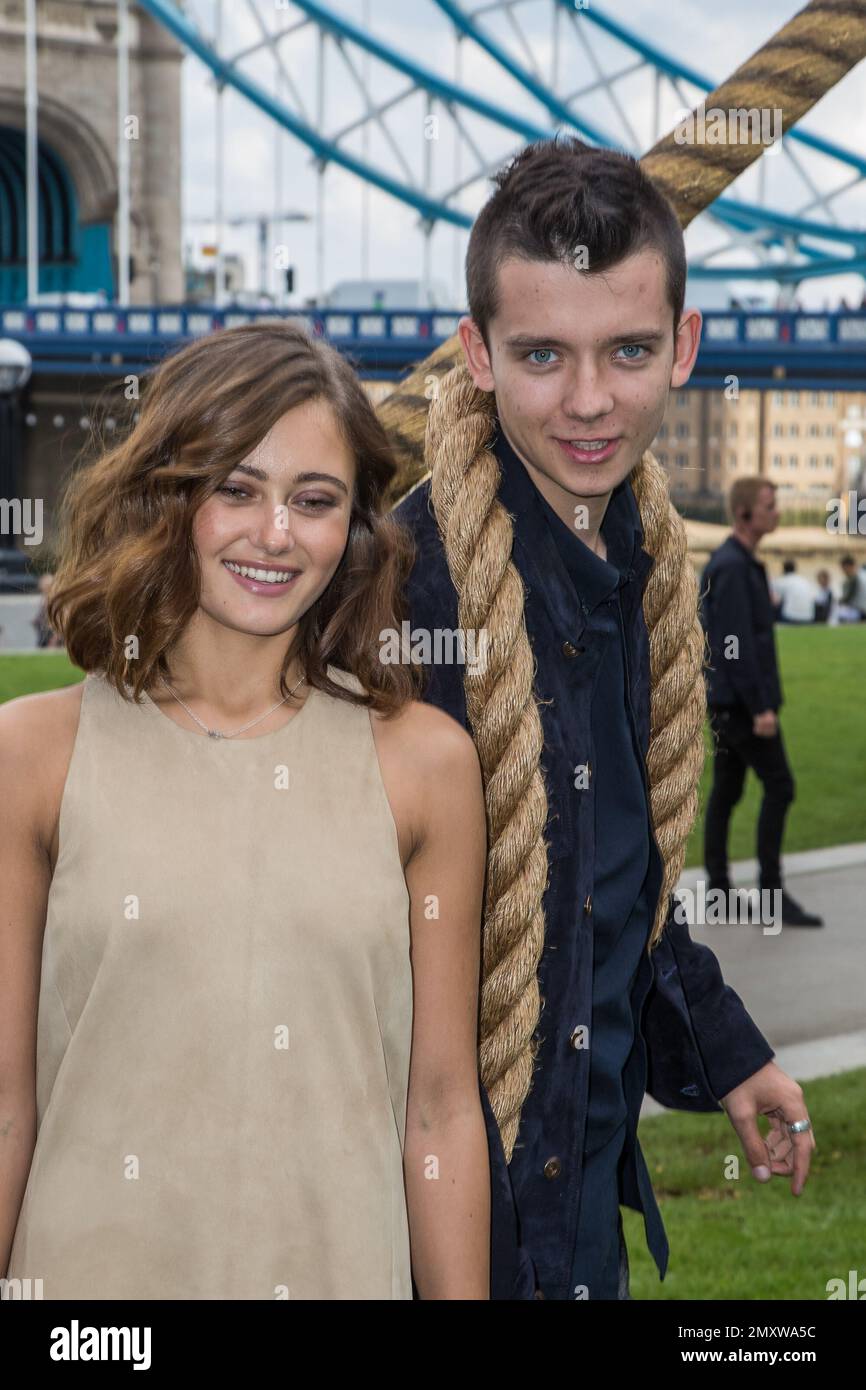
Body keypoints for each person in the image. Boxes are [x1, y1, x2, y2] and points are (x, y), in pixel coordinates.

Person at [394, 136, 815, 1303]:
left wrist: (727, 1052)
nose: (589, 401)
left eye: (628, 350)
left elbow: (603, 888)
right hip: (432, 1237)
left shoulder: (644, 573)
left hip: (580, 1232)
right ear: (474, 356)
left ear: (684, 344)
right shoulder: (394, 593)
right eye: (541, 355)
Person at [0, 322, 492, 1300]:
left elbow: (438, 1113)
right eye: (235, 488)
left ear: (350, 529)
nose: (274, 532)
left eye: (312, 500)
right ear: (168, 496)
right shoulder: (32, 754)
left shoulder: (425, 765)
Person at [701, 477, 823, 929]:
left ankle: (718, 890)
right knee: (780, 786)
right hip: (740, 707)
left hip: (732, 703)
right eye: (770, 506)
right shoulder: (733, 566)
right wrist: (760, 708)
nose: (778, 512)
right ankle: (770, 894)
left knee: (728, 791)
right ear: (745, 513)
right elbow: (734, 645)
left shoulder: (740, 564)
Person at [771, 559, 818, 624]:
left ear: (783, 569)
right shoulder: (804, 581)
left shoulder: (781, 581)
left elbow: (773, 600)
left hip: (790, 617)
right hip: (809, 617)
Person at [837, 553, 866, 622]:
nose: (843, 571)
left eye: (843, 568)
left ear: (848, 566)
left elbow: (848, 597)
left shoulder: (854, 578)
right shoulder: (862, 574)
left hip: (860, 611)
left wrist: (839, 602)